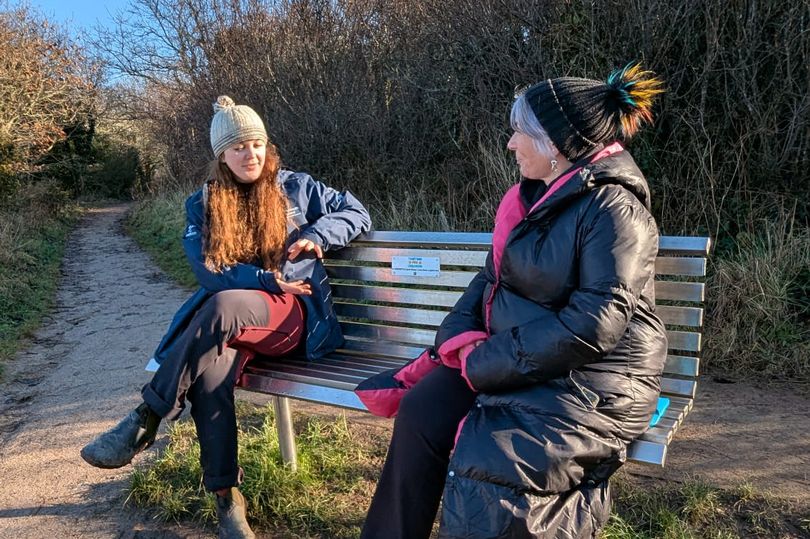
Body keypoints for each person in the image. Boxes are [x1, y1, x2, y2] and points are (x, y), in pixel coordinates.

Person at [360, 64, 667, 538]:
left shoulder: (615, 210)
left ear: (557, 145)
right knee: (422, 410)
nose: (510, 144)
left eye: (519, 133)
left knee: (490, 455)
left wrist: (487, 361)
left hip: (587, 378)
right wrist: (459, 341)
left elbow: (596, 324)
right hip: (513, 359)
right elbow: (489, 281)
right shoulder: (532, 198)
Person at [81, 96, 371, 539]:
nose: (250, 154)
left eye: (256, 143)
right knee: (209, 376)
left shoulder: (298, 188)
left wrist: (316, 234)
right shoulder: (203, 204)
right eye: (238, 147)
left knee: (222, 306)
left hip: (291, 315)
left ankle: (147, 417)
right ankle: (227, 503)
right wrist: (263, 279)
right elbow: (208, 271)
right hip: (238, 319)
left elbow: (357, 212)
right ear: (221, 155)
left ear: (267, 145)